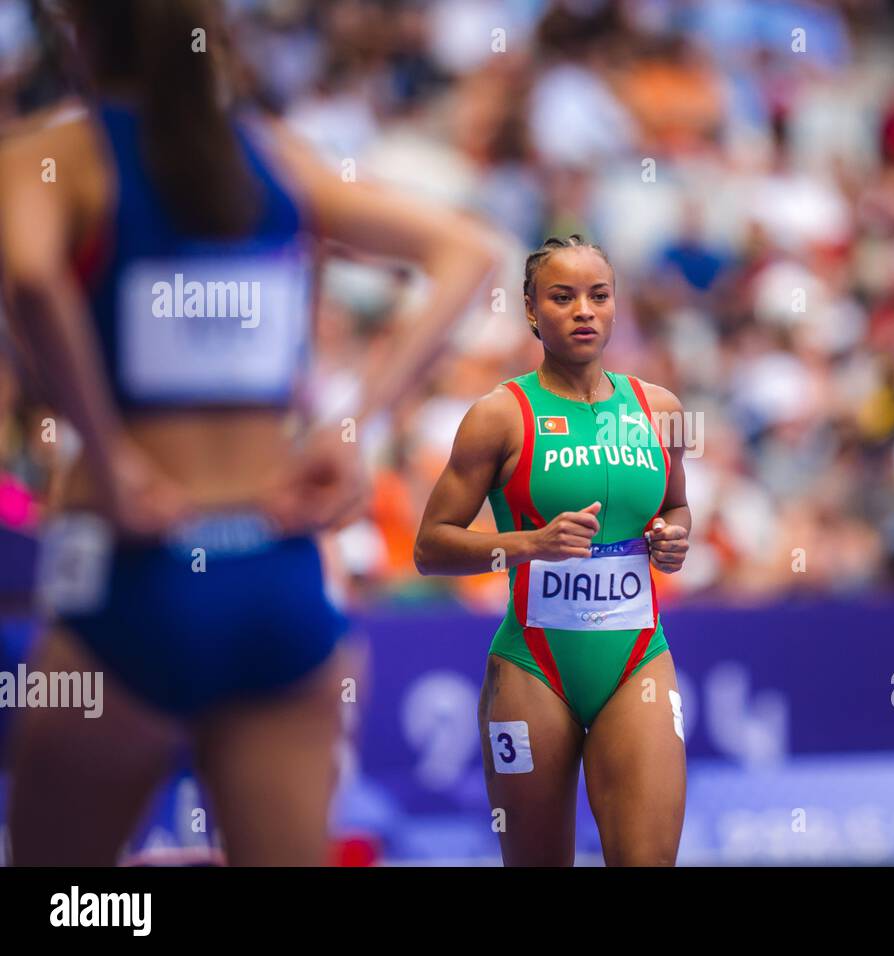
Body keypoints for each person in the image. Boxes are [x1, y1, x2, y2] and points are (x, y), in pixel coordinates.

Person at [0, 0, 498, 865]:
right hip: (277, 576)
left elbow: (31, 277)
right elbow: (468, 250)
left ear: (78, 30)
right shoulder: (270, 157)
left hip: (134, 569)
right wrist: (352, 423)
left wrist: (108, 450)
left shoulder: (54, 157)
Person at [414, 235, 691, 866]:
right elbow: (431, 549)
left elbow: (676, 504)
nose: (584, 310)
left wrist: (675, 538)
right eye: (563, 298)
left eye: (599, 296)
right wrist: (528, 544)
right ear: (532, 311)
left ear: (617, 306)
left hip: (637, 657)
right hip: (534, 668)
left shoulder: (665, 408)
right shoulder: (497, 415)